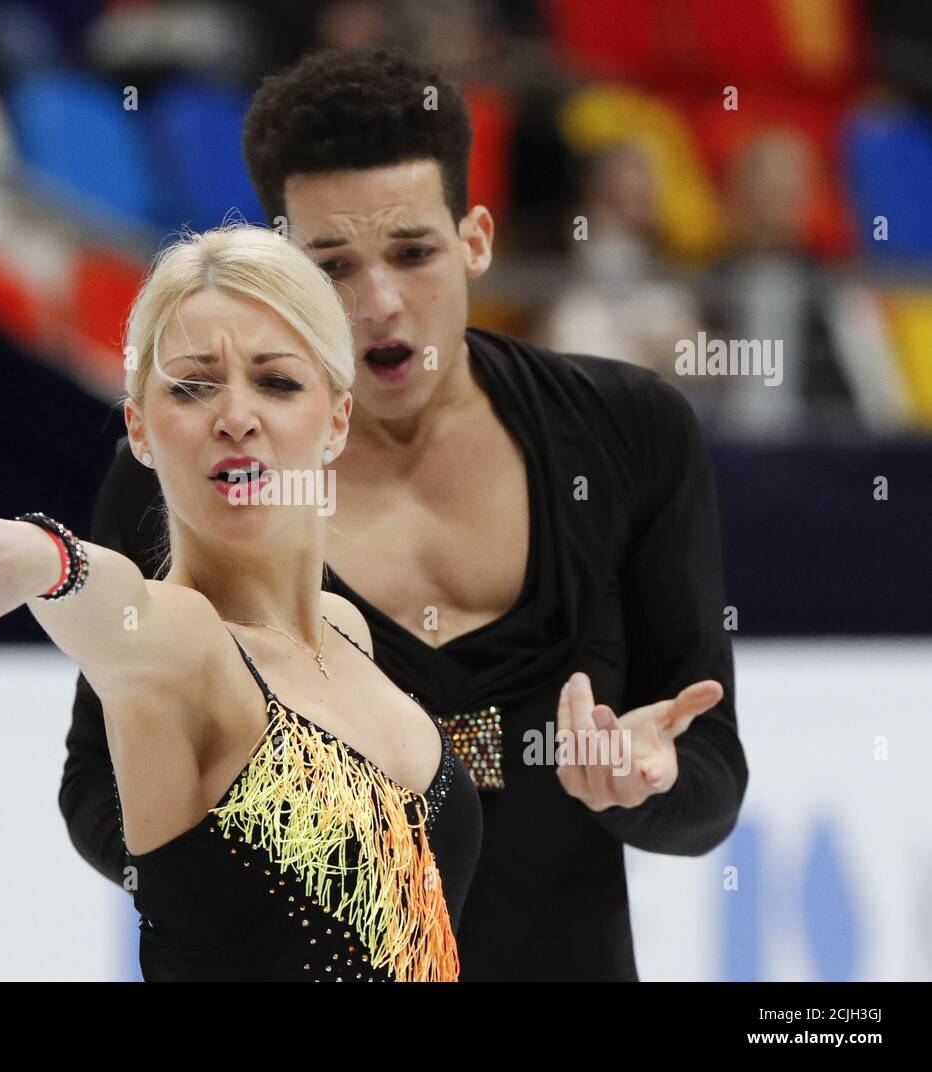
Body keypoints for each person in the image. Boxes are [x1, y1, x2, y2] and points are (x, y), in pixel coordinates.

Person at [61, 46, 747, 981]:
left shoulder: (630, 432)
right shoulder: (183, 469)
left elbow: (708, 779)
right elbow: (99, 795)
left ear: (476, 239)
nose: (378, 303)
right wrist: (317, 851)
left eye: (414, 252)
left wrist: (644, 782)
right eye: (332, 263)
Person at [0, 223, 483, 982]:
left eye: (277, 381)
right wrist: (46, 560)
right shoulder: (185, 648)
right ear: (138, 426)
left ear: (336, 419)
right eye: (194, 385)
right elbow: (118, 612)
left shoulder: (346, 631)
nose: (236, 416)